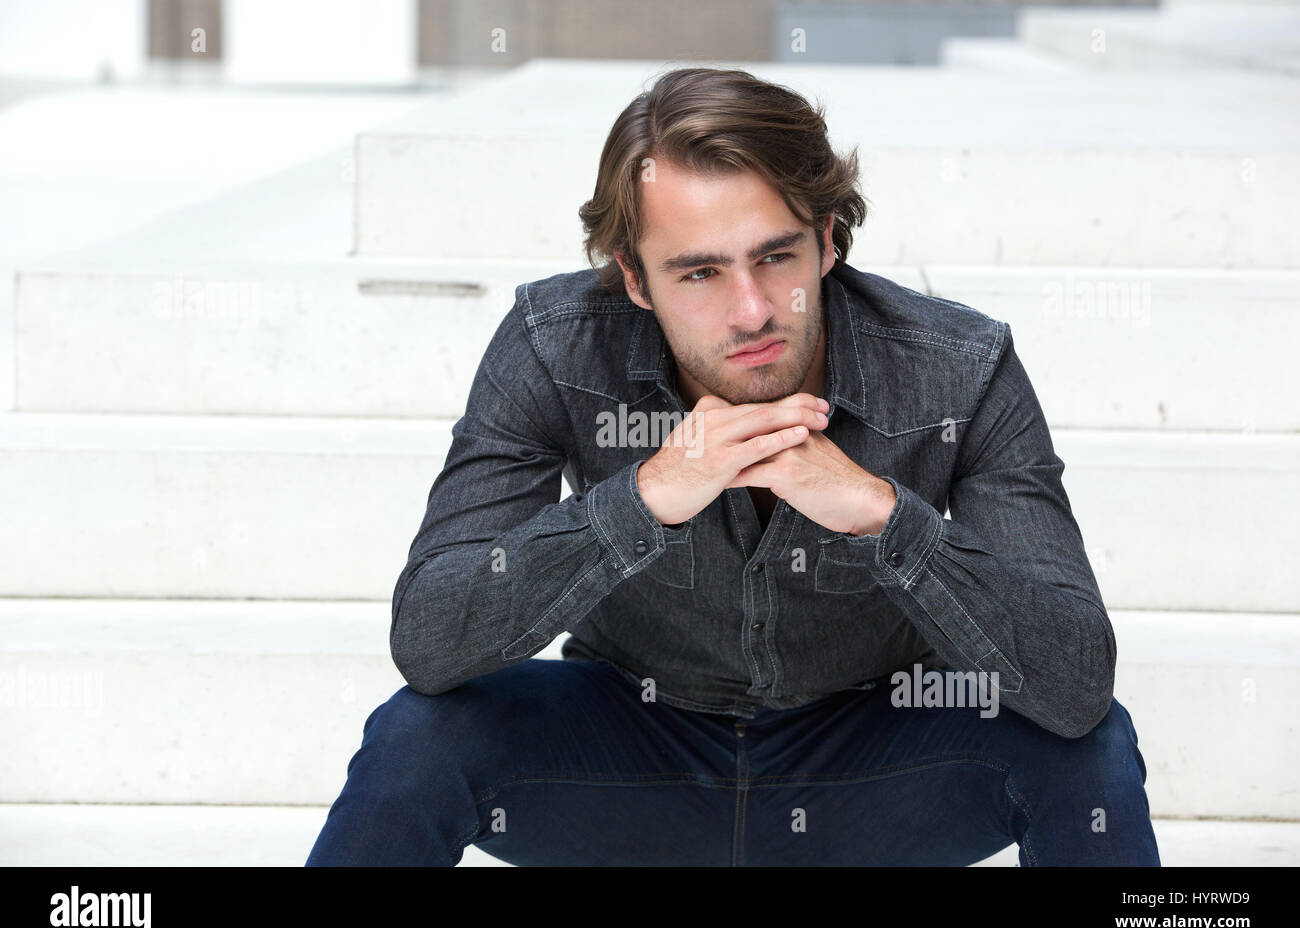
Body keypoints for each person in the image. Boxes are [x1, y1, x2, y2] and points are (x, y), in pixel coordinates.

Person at [306, 67, 1159, 866]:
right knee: (418, 739)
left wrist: (882, 514)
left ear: (828, 241)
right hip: (630, 757)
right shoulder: (555, 346)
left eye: (776, 257)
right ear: (634, 280)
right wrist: (641, 501)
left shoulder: (955, 370)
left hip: (873, 767)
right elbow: (430, 639)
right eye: (700, 272)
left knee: (1089, 750)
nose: (752, 311)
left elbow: (1075, 680)